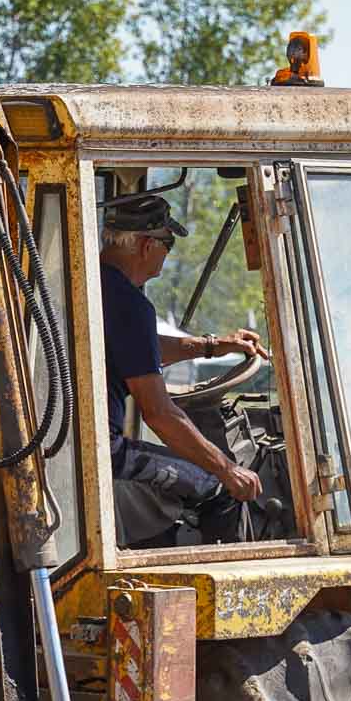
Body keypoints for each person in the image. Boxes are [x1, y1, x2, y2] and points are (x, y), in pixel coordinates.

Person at [100, 188, 268, 544]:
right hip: (107, 454)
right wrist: (227, 469)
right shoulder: (130, 305)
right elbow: (158, 413)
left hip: (83, 446)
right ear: (147, 245)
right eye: (168, 244)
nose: (165, 253)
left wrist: (213, 346)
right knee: (220, 491)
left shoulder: (91, 284)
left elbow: (142, 350)